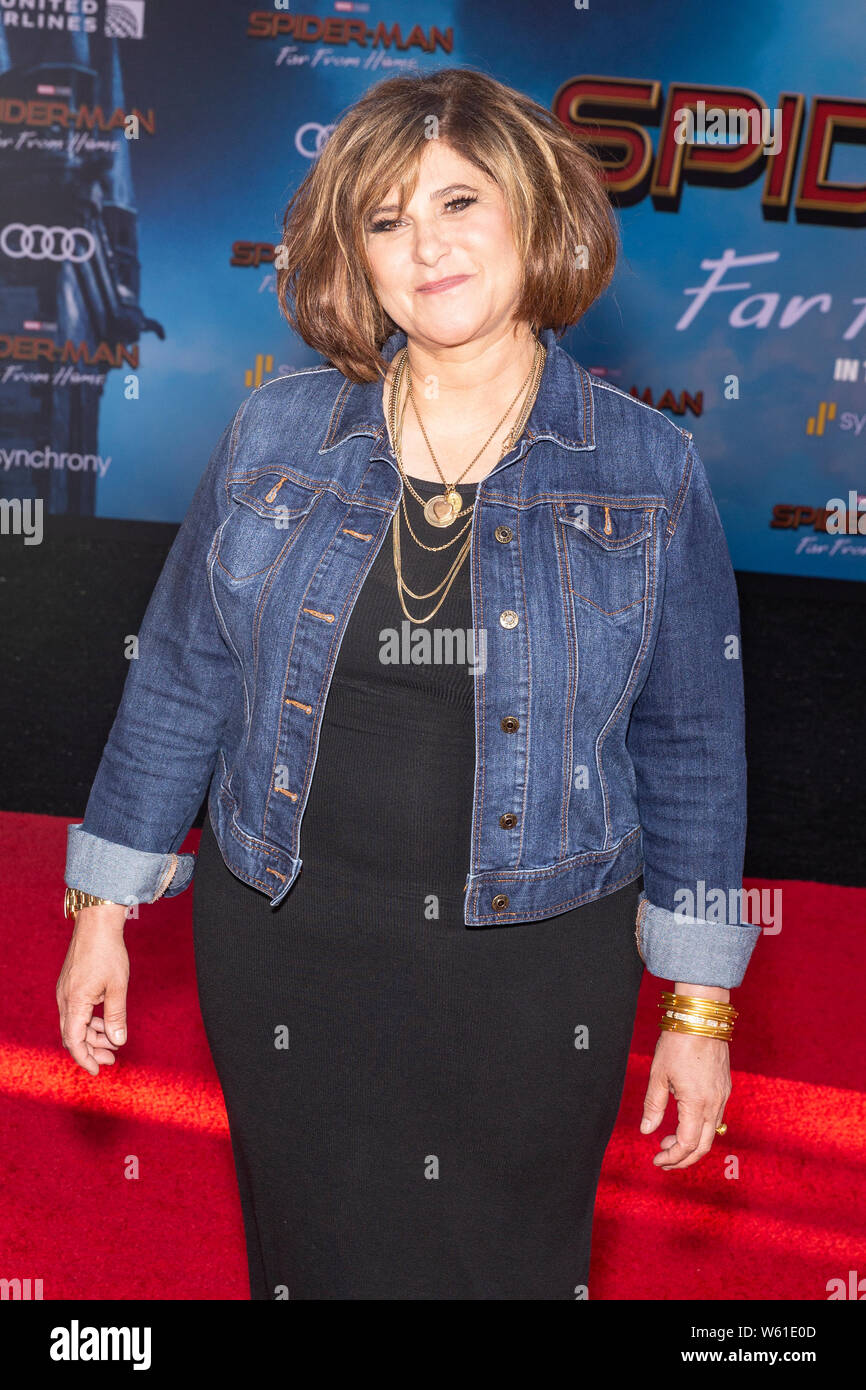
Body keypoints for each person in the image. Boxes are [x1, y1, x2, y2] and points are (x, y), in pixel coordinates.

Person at [57, 67, 762, 1301]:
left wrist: (698, 1010)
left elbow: (693, 741)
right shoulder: (275, 434)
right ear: (354, 256)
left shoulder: (645, 468)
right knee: (314, 1259)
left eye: (457, 202)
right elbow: (182, 671)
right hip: (286, 933)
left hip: (535, 961)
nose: (423, 245)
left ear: (534, 218)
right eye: (384, 220)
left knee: (501, 1268)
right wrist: (102, 911)